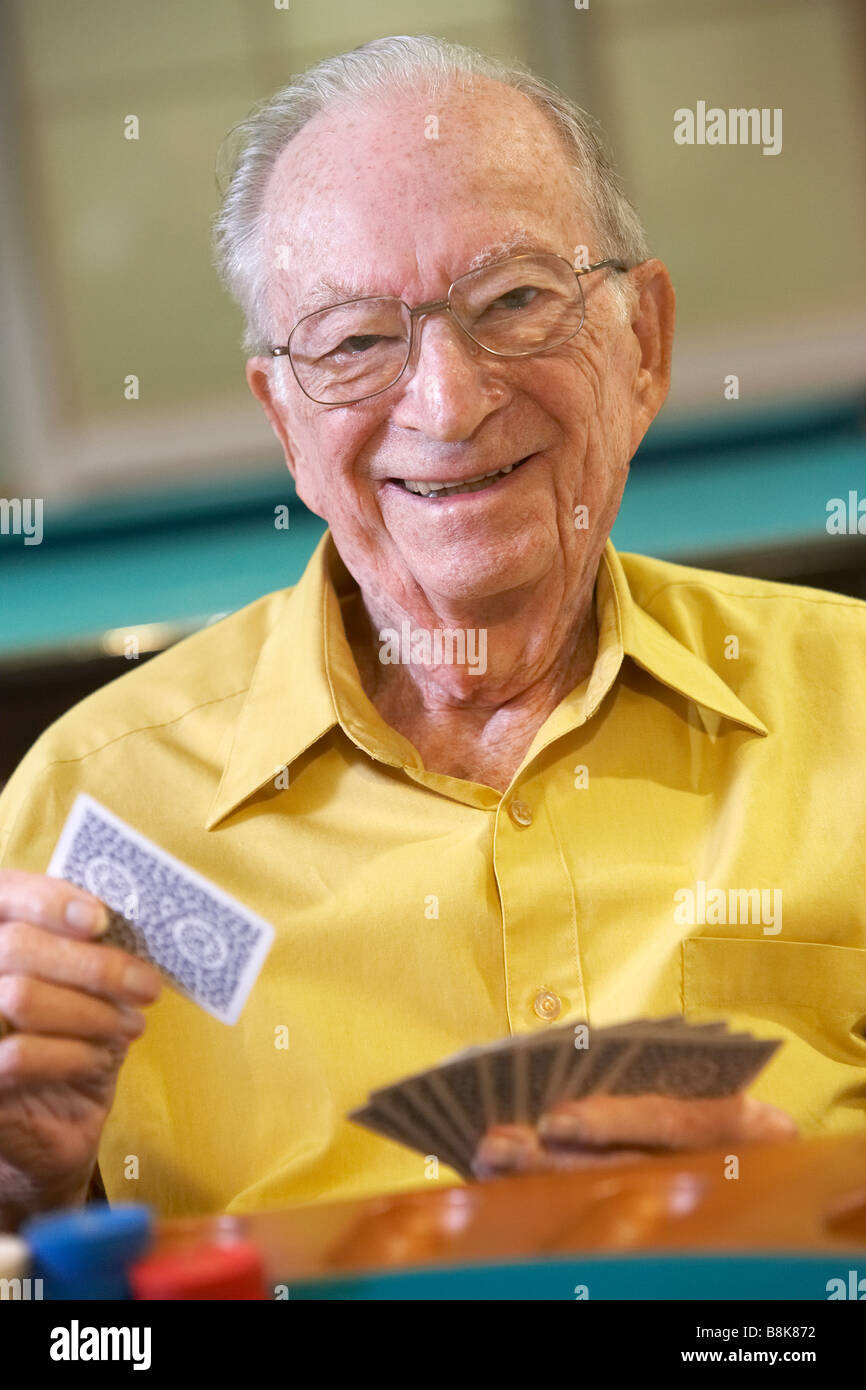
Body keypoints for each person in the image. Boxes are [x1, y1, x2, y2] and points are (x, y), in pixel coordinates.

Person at [1, 36, 863, 1228]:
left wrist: (809, 1210)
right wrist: (21, 1192)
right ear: (286, 423)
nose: (447, 402)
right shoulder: (79, 816)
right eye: (355, 342)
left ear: (644, 344)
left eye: (514, 299)